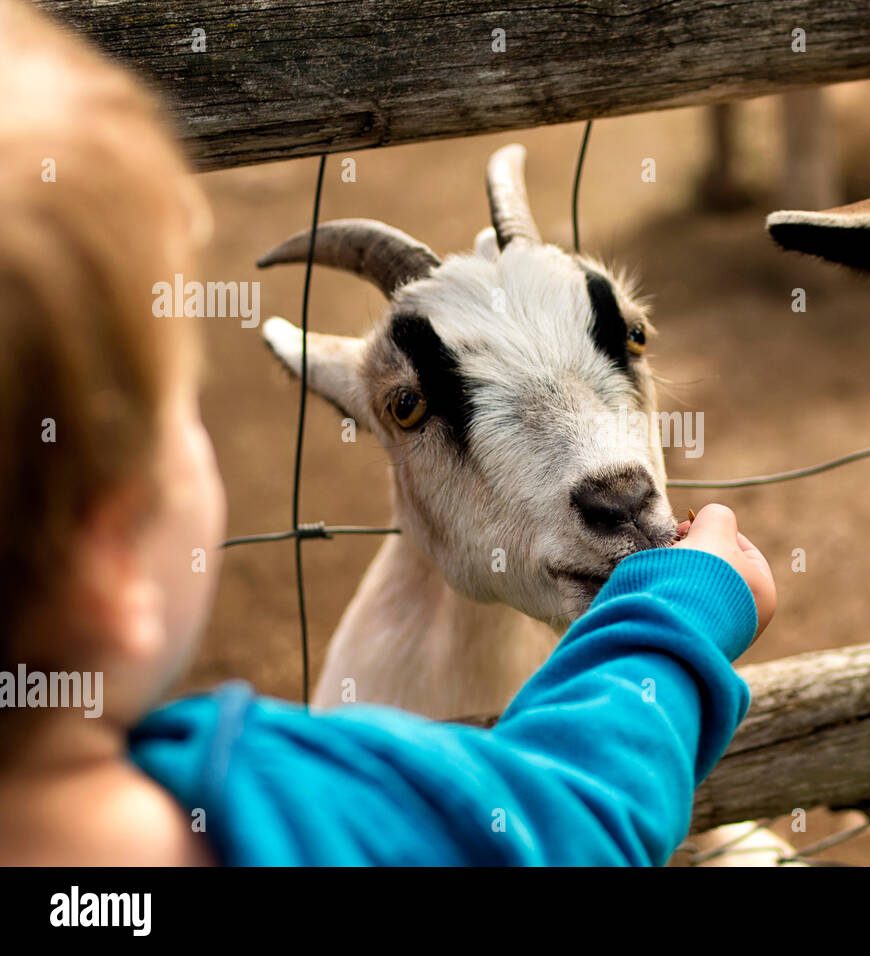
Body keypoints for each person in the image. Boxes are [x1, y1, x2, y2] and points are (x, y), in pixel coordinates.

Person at [0, 0, 776, 865]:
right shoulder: (299, 801)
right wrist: (679, 616)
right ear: (114, 548)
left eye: (625, 339)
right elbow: (572, 816)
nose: (616, 481)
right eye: (406, 405)